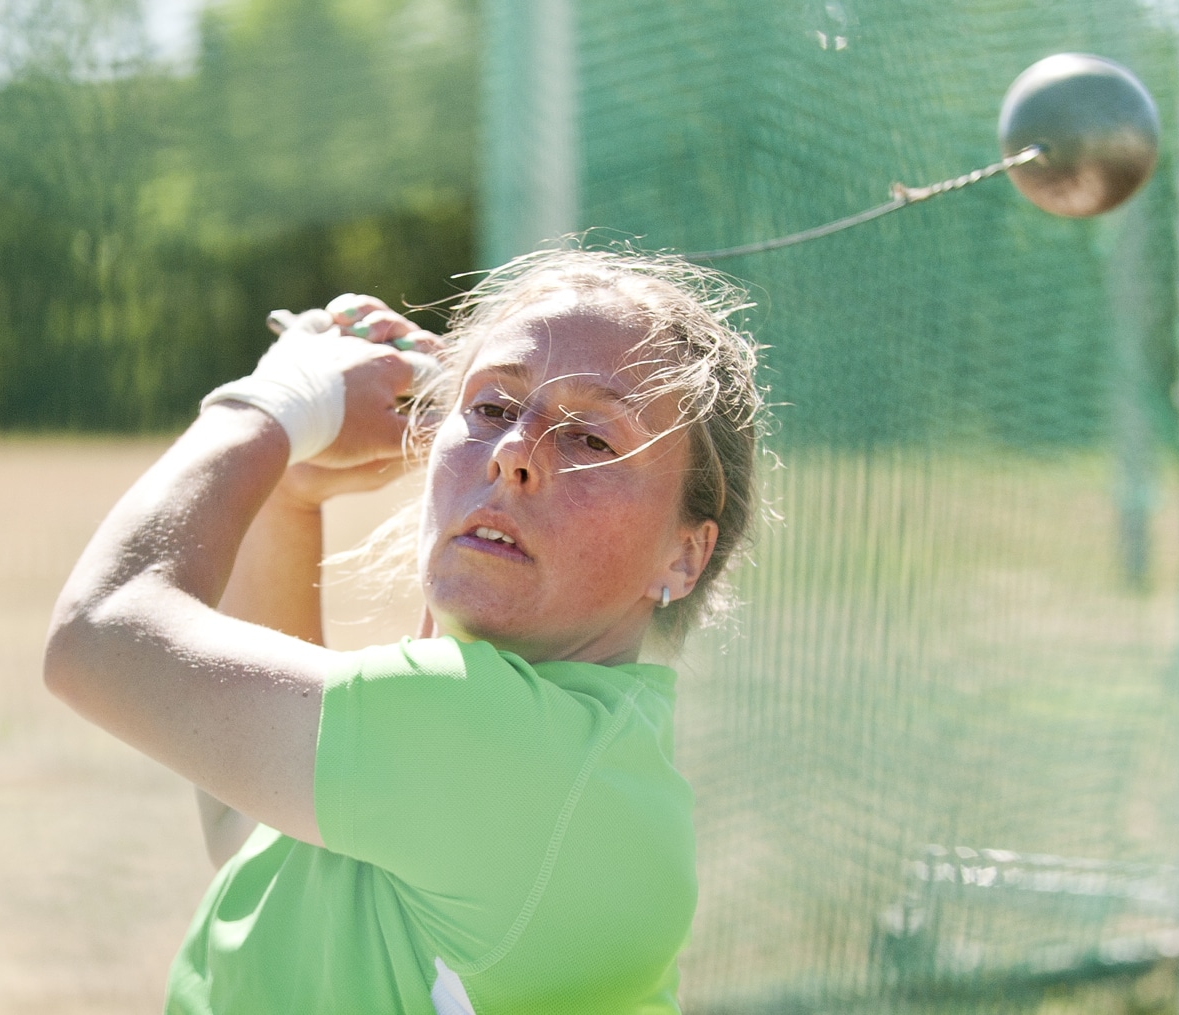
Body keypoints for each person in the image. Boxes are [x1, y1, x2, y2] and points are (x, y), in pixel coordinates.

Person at [43, 245, 766, 1014]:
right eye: (489, 407)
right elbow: (253, 828)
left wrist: (272, 404)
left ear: (686, 555)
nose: (514, 451)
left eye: (591, 437)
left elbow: (98, 635)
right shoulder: (570, 749)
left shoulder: (497, 745)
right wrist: (291, 493)